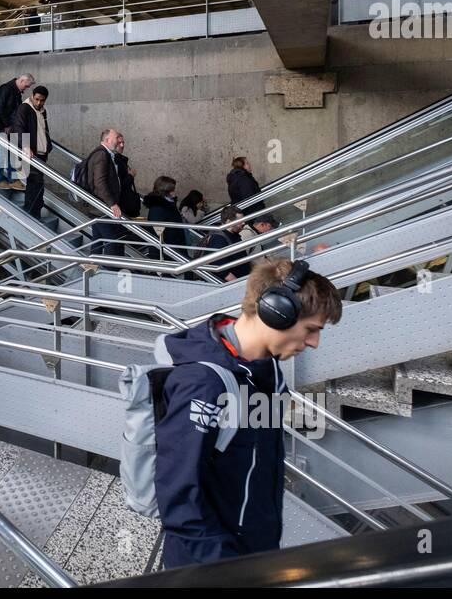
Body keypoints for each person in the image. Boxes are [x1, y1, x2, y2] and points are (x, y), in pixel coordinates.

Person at [154, 259, 342, 568]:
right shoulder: (203, 384)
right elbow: (179, 499)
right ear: (276, 313)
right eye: (311, 329)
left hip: (254, 554)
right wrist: (229, 572)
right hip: (209, 569)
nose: (314, 343)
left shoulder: (267, 370)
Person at [84, 129, 128, 258]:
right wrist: (112, 204)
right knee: (113, 242)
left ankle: (93, 266)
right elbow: (100, 182)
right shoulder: (102, 155)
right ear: (108, 140)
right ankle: (111, 272)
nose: (118, 140)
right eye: (116, 138)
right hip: (102, 207)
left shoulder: (105, 154)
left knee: (98, 240)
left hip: (99, 207)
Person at [9, 86, 52, 217]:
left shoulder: (42, 111)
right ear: (32, 96)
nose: (39, 102)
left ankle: (35, 211)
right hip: (30, 153)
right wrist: (26, 147)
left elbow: (44, 130)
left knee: (37, 183)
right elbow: (18, 127)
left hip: (41, 153)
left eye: (42, 100)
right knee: (35, 182)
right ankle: (32, 214)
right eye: (37, 99)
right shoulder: (25, 108)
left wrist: (48, 146)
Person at [0, 73, 35, 191]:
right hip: (2, 127)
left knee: (12, 153)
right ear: (21, 81)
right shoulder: (6, 89)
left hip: (10, 127)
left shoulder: (14, 91)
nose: (25, 89)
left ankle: (12, 179)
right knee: (1, 152)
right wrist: (6, 125)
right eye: (26, 86)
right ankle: (0, 180)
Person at [143, 176, 189, 259]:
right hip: (168, 251)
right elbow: (157, 232)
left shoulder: (168, 203)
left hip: (174, 247)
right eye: (172, 190)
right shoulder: (157, 208)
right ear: (165, 191)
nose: (174, 192)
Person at [203, 205, 247, 281]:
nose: (244, 223)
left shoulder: (234, 234)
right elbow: (220, 268)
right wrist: (238, 284)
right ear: (229, 222)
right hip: (234, 285)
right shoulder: (218, 239)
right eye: (240, 221)